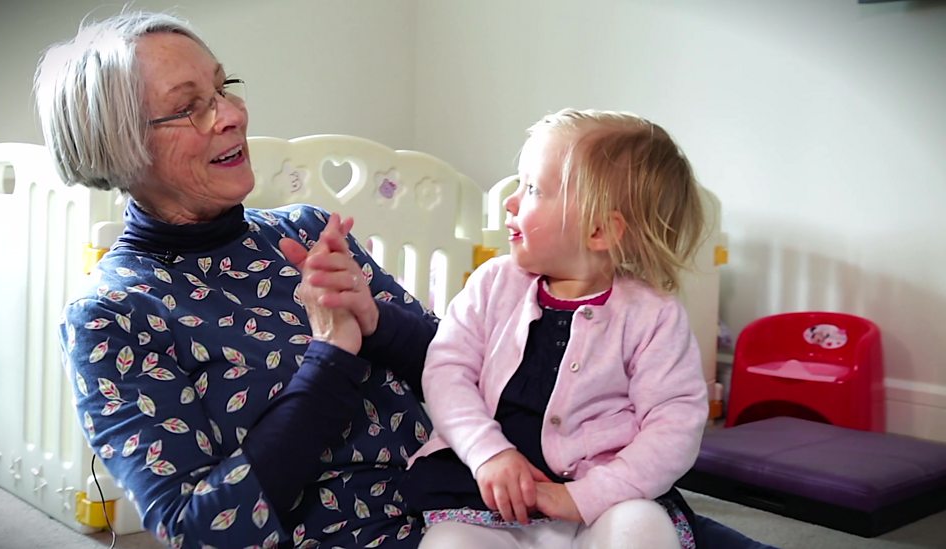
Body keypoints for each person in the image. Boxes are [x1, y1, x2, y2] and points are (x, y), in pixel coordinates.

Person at [38, 11, 437, 548]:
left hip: (468, 507)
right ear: (119, 145)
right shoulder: (114, 315)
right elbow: (200, 530)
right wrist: (331, 358)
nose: (231, 115)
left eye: (223, 89)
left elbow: (471, 367)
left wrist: (376, 318)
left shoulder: (307, 231)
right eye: (188, 107)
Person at [403, 108, 710, 549]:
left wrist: (589, 496)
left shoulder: (653, 314)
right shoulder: (492, 284)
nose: (510, 201)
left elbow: (674, 425)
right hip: (489, 498)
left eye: (532, 189)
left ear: (599, 230)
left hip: (602, 503)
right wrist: (488, 452)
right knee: (448, 544)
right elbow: (446, 373)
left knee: (642, 528)